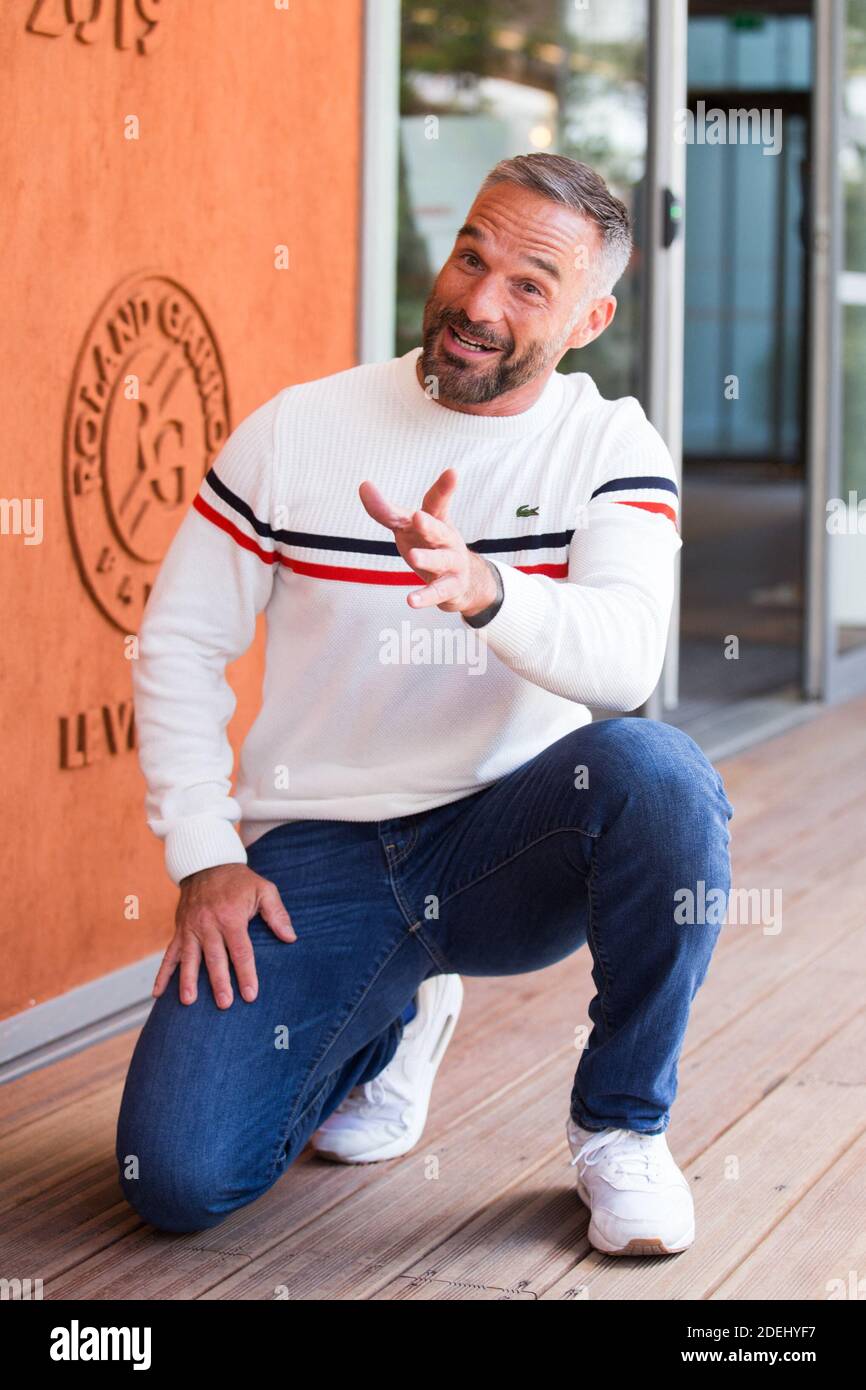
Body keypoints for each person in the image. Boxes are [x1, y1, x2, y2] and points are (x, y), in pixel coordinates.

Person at [116, 152, 734, 1257]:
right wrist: (204, 853)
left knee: (659, 774)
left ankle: (620, 1128)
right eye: (470, 257)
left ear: (588, 318)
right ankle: (385, 1018)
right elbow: (177, 642)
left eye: (529, 284)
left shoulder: (608, 444)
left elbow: (625, 657)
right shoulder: (297, 429)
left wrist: (494, 590)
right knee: (178, 1177)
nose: (479, 303)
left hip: (505, 846)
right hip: (315, 858)